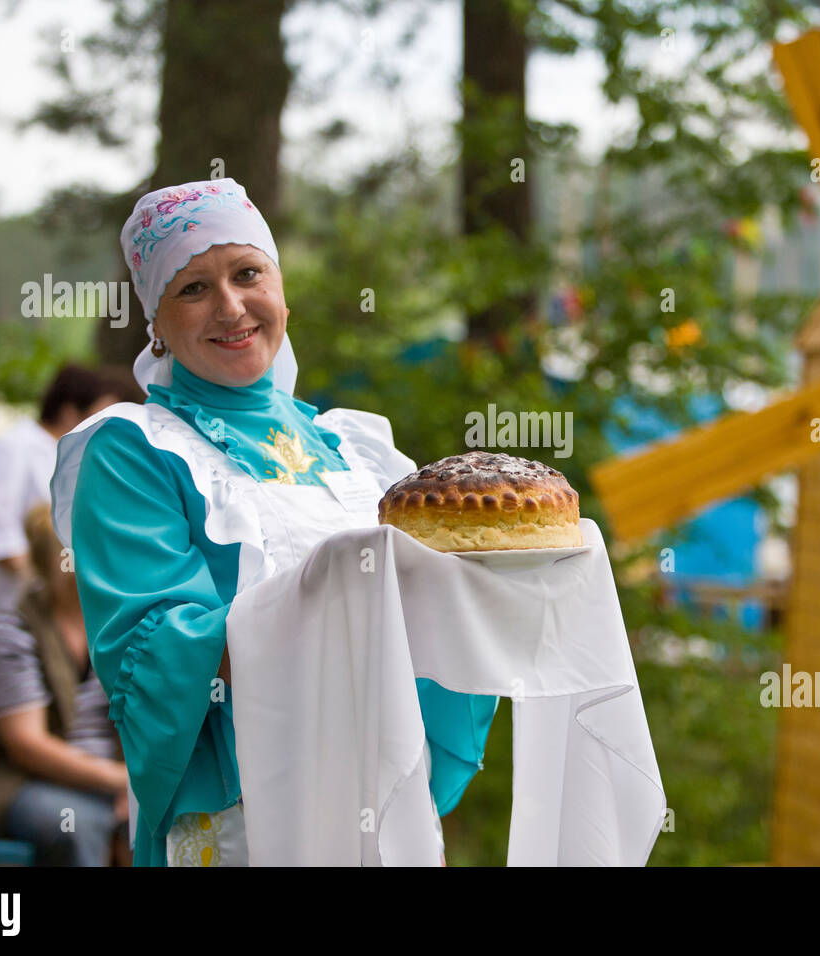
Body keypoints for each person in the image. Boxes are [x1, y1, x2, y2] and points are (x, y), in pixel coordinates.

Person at [49, 178, 498, 866]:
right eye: (192, 288)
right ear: (156, 323)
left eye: (247, 273)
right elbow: (153, 648)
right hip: (242, 813)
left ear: (281, 288)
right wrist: (332, 598)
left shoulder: (354, 447)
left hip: (377, 795)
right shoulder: (132, 451)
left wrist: (497, 581)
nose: (231, 307)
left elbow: (439, 608)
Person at [0, 503, 130, 866]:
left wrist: (137, 786)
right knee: (74, 824)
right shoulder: (16, 630)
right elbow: (27, 745)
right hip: (34, 784)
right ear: (46, 560)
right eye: (70, 549)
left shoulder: (116, 622)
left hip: (117, 781)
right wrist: (120, 781)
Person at [0, 365, 130, 631]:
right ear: (69, 411)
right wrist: (47, 580)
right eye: (100, 414)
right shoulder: (13, 446)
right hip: (26, 605)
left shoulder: (79, 454)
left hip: (81, 608)